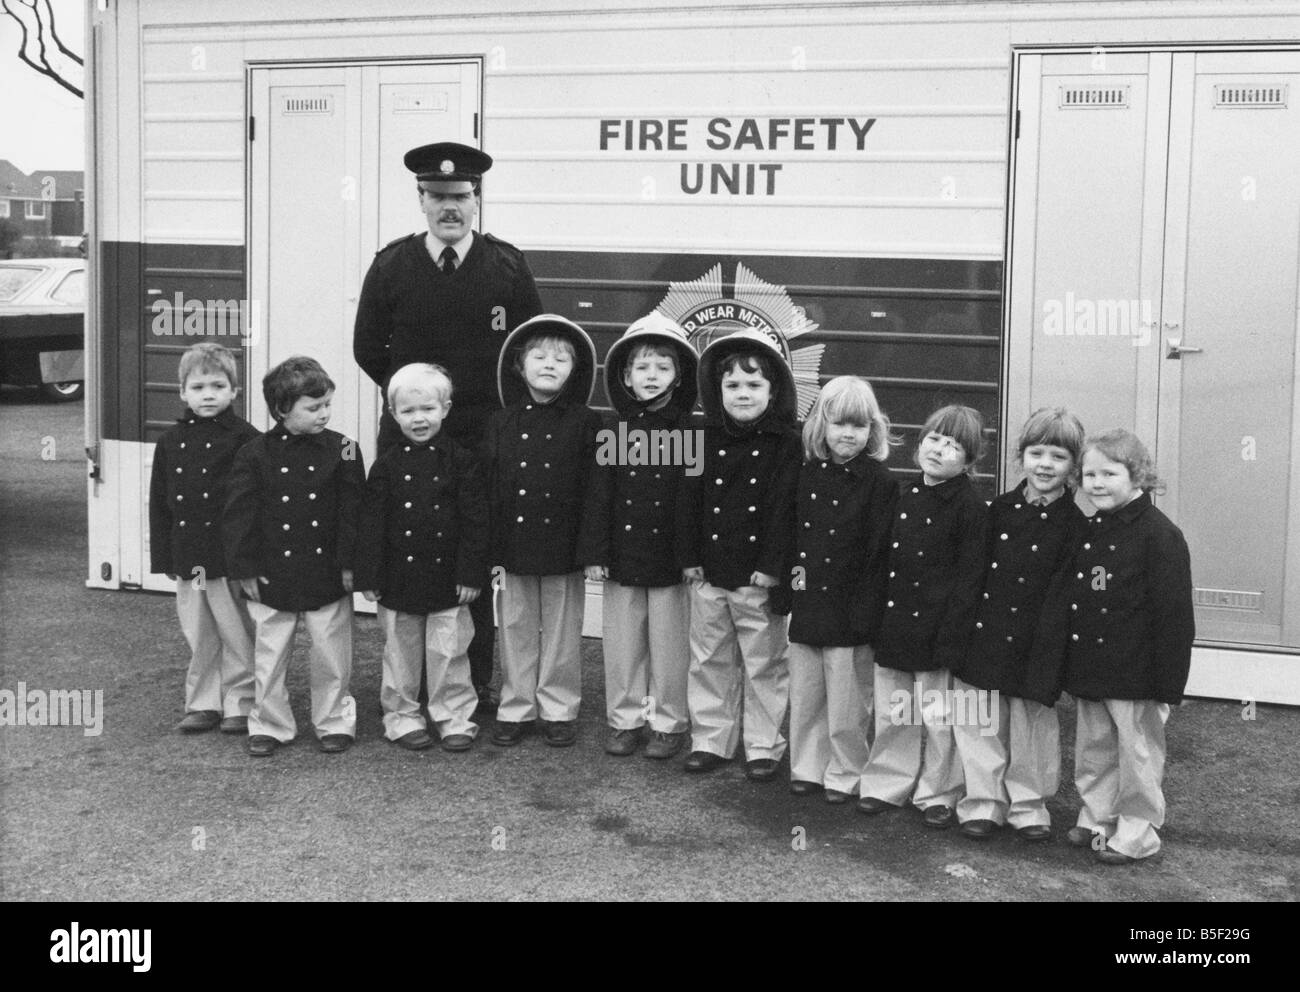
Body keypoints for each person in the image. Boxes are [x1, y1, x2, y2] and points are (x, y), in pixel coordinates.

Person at [352, 140, 543, 712]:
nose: (449, 207)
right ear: (421, 199)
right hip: (409, 438)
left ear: (476, 198)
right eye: (437, 197)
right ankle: (408, 688)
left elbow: (528, 346)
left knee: (472, 556)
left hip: (481, 437)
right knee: (407, 552)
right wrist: (417, 404)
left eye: (460, 196)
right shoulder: (391, 264)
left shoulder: (506, 264)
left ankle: (472, 685)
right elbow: (368, 348)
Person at [1036, 429, 1194, 864]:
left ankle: (1137, 833)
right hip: (1093, 668)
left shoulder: (1161, 536)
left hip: (1138, 673)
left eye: (1110, 473)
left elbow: (1175, 617)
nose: (1097, 483)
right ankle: (1098, 818)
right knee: (1095, 750)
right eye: (1089, 474)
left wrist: (1168, 683)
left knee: (1137, 757)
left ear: (1138, 476)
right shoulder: (1091, 530)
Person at [950, 407, 1086, 841]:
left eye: (1058, 457)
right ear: (1020, 456)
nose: (1045, 464)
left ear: (1073, 467)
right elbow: (972, 577)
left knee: (1032, 727)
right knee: (979, 723)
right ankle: (983, 802)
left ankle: (1028, 804)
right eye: (1036, 452)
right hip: (986, 635)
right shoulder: (996, 512)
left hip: (1037, 642)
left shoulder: (1078, 527)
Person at [223, 356, 365, 757]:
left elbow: (354, 514)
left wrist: (352, 564)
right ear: (282, 409)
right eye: (313, 407)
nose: (324, 414)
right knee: (269, 654)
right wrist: (244, 568)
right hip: (272, 572)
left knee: (332, 653)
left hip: (328, 572)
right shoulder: (253, 454)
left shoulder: (346, 451)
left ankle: (334, 719)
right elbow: (239, 517)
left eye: (327, 405)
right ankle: (269, 722)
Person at [677, 328, 801, 781]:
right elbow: (688, 500)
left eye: (754, 385)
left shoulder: (787, 443)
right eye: (732, 385)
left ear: (773, 391)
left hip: (757, 577)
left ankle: (764, 746)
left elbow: (784, 510)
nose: (742, 393)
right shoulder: (698, 435)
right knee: (709, 658)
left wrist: (772, 567)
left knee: (765, 663)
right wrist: (688, 555)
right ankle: (711, 738)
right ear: (717, 389)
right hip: (709, 571)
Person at [857, 405, 987, 827]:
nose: (940, 449)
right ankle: (886, 783)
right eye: (934, 438)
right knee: (894, 711)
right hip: (895, 624)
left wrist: (953, 637)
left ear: (969, 461)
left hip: (937, 631)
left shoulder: (970, 507)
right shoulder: (906, 495)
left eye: (954, 446)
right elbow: (881, 561)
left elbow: (970, 579)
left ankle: (939, 791)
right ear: (920, 442)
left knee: (938, 717)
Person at [355, 363, 488, 753]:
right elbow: (372, 523)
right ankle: (402, 716)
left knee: (450, 652)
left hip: (449, 578)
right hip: (398, 578)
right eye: (409, 411)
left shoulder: (462, 461)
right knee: (400, 654)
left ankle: (454, 715)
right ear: (393, 414)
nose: (419, 419)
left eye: (428, 409)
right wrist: (370, 574)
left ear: (445, 408)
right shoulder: (386, 466)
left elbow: (475, 521)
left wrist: (471, 573)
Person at [482, 315, 602, 748]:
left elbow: (595, 491)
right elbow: (491, 487)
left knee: (562, 633)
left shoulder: (590, 424)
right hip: (513, 546)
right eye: (539, 356)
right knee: (513, 627)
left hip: (564, 546)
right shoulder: (500, 422)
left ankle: (558, 707)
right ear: (519, 365)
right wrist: (491, 547)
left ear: (575, 370)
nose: (549, 364)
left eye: (561, 358)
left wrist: (590, 550)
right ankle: (516, 707)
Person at [583, 311, 699, 760]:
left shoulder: (690, 431)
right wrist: (595, 552)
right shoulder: (613, 430)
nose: (652, 376)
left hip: (670, 559)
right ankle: (624, 720)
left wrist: (691, 556)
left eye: (663, 367)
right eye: (642, 368)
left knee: (671, 648)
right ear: (626, 378)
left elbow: (691, 499)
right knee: (622, 645)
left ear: (677, 376)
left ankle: (669, 723)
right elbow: (600, 496)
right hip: (622, 557)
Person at [787, 376, 898, 802]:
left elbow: (878, 555)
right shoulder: (807, 474)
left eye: (859, 426)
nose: (848, 435)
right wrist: (793, 594)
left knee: (848, 703)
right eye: (839, 424)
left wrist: (868, 610)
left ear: (873, 431)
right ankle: (807, 767)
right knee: (808, 694)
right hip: (809, 602)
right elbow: (795, 542)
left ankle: (846, 770)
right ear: (821, 426)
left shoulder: (881, 483)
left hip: (852, 607)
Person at [148, 342, 260, 734]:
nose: (208, 394)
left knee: (236, 632)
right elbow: (160, 505)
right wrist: (164, 556)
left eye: (217, 385)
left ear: (234, 390)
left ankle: (241, 702)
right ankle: (203, 702)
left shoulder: (247, 439)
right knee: (200, 632)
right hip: (191, 558)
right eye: (197, 387)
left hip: (229, 558)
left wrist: (252, 558)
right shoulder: (170, 442)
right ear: (182, 392)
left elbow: (255, 505)